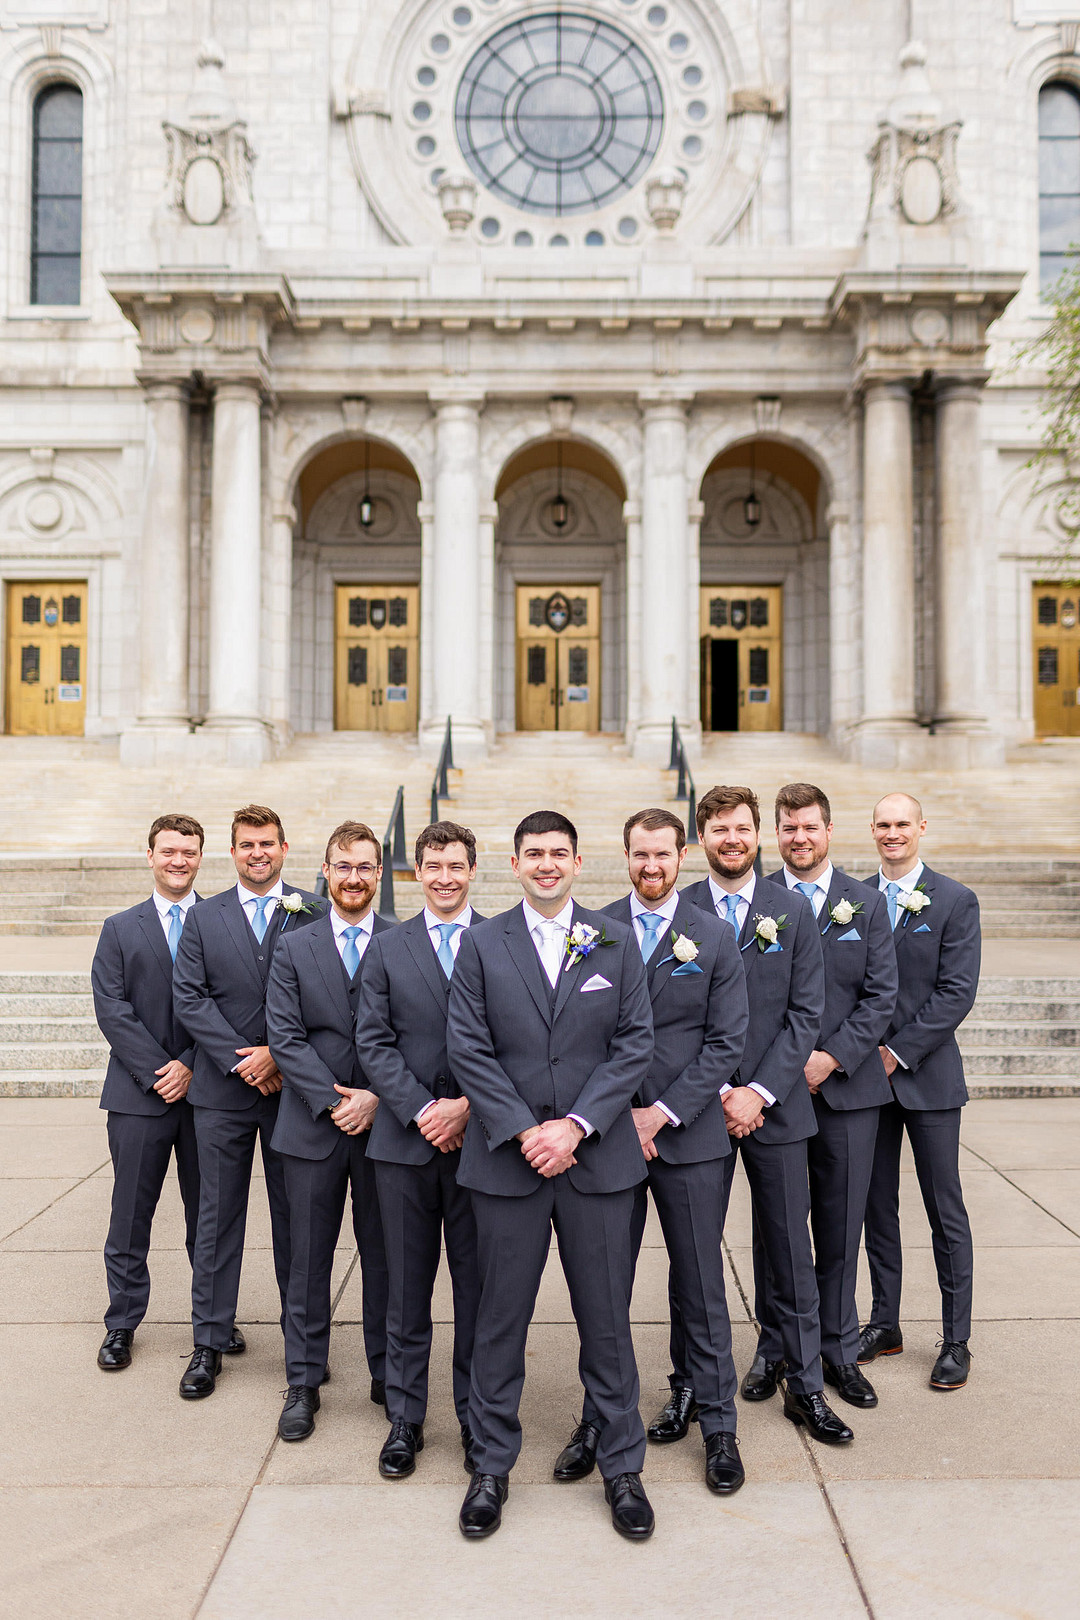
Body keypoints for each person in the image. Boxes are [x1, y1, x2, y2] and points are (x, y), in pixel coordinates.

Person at [446, 811, 655, 1541]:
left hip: (596, 1159)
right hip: (508, 1160)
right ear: (512, 863)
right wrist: (527, 1128)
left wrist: (577, 1125)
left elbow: (634, 1044)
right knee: (499, 1321)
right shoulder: (481, 943)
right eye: (533, 853)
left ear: (577, 861)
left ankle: (623, 1467)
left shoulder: (613, 939)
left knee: (607, 1322)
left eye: (557, 853)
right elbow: (467, 1046)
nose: (545, 864)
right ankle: (491, 1465)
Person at [553, 807, 749, 1495]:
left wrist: (661, 1114)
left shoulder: (716, 938)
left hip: (689, 1137)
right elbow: (574, 1037)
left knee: (701, 1285)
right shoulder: (591, 929)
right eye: (640, 854)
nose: (651, 866)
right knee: (603, 1288)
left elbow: (726, 1043)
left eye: (663, 854)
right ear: (624, 855)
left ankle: (719, 1426)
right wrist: (608, 1116)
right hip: (606, 1137)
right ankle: (599, 1418)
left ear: (683, 855)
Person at [679, 786, 852, 1445]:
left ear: (760, 835)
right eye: (719, 829)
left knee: (790, 1253)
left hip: (777, 1110)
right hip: (699, 1111)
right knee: (693, 1258)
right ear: (702, 838)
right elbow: (670, 1019)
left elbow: (805, 1014)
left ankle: (805, 1389)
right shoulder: (681, 908)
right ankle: (691, 1387)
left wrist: (759, 1092)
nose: (732, 839)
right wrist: (718, 1090)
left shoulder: (792, 910)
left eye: (743, 828)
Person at [172, 805, 322, 1400]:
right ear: (231, 853)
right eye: (246, 845)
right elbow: (190, 997)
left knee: (298, 1223)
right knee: (216, 1218)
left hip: (294, 1095)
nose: (258, 853)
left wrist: (279, 1055)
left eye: (267, 843)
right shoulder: (203, 918)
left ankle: (301, 1346)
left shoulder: (313, 911)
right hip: (221, 1092)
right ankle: (208, 1341)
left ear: (285, 848)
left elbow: (330, 998)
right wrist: (245, 1058)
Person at [92, 814, 247, 1370]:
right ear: (150, 855)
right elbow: (112, 1009)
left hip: (210, 1092)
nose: (179, 860)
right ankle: (122, 1322)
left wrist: (192, 1064)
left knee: (210, 1215)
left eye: (189, 851)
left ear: (203, 857)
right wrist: (163, 1069)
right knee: (131, 1212)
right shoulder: (119, 927)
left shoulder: (224, 921)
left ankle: (213, 1321)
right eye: (168, 851)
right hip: (139, 1096)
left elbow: (230, 1006)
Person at [356, 821, 483, 1480]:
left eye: (455, 866)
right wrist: (422, 1109)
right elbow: (372, 1040)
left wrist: (467, 1106)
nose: (443, 877)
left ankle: (473, 1416)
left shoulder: (501, 939)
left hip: (479, 1149)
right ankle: (406, 1419)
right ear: (416, 870)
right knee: (404, 1290)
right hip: (403, 1147)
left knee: (477, 1294)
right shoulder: (387, 945)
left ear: (472, 869)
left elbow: (515, 1043)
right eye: (432, 865)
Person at [765, 783, 898, 1410]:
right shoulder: (755, 901)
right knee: (779, 1226)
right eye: (788, 828)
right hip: (774, 1092)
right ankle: (777, 1348)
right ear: (776, 833)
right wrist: (785, 1066)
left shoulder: (865, 903)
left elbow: (881, 997)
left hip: (847, 1087)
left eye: (809, 827)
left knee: (843, 1224)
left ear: (829, 830)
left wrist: (831, 1056)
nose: (799, 838)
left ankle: (839, 1350)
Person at [266, 820, 393, 1440]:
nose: (353, 878)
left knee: (388, 1257)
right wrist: (330, 1100)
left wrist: (377, 1098)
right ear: (325, 871)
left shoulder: (402, 942)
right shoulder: (294, 945)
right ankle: (303, 1381)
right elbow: (283, 1036)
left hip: (386, 1129)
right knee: (307, 1261)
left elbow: (416, 1034)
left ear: (380, 873)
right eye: (342, 866)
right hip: (311, 1128)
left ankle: (387, 1369)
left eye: (365, 867)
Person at [859, 793, 980, 1391]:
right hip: (864, 1087)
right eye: (883, 824)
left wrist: (895, 1051)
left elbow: (955, 993)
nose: (892, 833)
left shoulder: (955, 900)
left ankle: (955, 1339)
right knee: (876, 1208)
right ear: (872, 830)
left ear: (921, 828)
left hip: (926, 1078)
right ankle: (885, 1322)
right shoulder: (850, 899)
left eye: (902, 823)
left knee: (944, 1209)